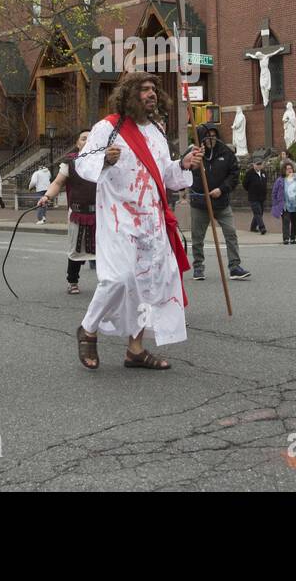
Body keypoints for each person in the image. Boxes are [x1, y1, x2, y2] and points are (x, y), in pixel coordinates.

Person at [73, 72, 201, 372]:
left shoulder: (157, 130)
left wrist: (183, 164)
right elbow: (82, 162)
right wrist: (105, 158)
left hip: (151, 219)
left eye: (153, 89)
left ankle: (135, 349)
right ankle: (88, 329)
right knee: (118, 278)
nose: (151, 94)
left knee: (147, 283)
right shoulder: (108, 127)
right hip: (118, 217)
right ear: (129, 95)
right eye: (144, 89)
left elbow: (165, 175)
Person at [188, 125, 252, 281]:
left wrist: (222, 189)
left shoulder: (226, 153)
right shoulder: (195, 154)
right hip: (200, 203)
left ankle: (234, 266)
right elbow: (184, 172)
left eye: (213, 135)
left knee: (230, 233)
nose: (211, 139)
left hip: (221, 202)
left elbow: (234, 174)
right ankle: (198, 267)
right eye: (207, 136)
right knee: (197, 237)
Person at [37, 130, 95, 294]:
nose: (87, 141)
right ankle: (73, 281)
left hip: (101, 214)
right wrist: (47, 196)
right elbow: (57, 183)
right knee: (76, 249)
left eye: (91, 139)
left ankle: (107, 285)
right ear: (78, 143)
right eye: (83, 138)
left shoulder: (103, 162)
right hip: (78, 214)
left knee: (106, 250)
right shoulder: (70, 163)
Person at [271, 160, 296, 244]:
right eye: (287, 168)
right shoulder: (280, 180)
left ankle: (293, 238)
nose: (289, 170)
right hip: (285, 205)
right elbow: (274, 193)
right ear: (284, 170)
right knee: (286, 222)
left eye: (291, 168)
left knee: (295, 223)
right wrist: (275, 204)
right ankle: (285, 238)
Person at [243, 158, 268, 235]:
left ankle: (253, 227)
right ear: (253, 165)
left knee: (260, 213)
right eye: (257, 164)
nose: (259, 166)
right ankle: (262, 228)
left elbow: (265, 182)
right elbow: (245, 184)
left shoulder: (263, 172)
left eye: (260, 164)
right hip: (253, 197)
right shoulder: (249, 173)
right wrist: (251, 190)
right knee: (257, 212)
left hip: (262, 197)